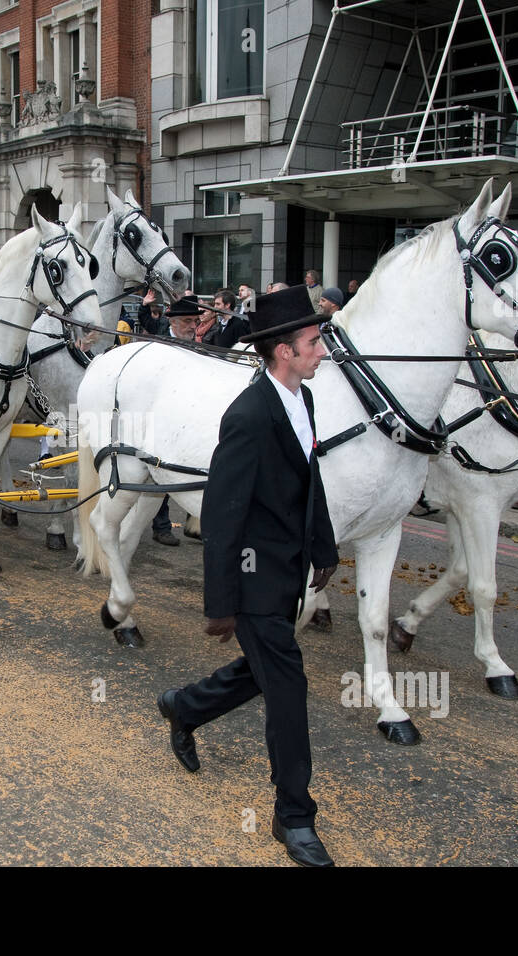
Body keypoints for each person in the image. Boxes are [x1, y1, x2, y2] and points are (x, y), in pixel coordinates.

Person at [157, 285, 341, 867]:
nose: (321, 352)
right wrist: (221, 602)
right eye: (313, 343)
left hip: (287, 573)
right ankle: (294, 817)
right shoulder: (248, 414)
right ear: (284, 350)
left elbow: (309, 482)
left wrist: (325, 545)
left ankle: (185, 707)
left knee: (263, 672)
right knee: (287, 686)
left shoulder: (302, 403)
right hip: (255, 577)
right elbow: (222, 515)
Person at [149, 294, 202, 547]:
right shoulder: (158, 346)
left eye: (196, 321)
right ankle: (161, 526)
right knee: (160, 475)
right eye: (189, 321)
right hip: (159, 421)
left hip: (187, 419)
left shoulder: (199, 346)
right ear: (175, 321)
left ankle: (196, 524)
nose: (194, 326)